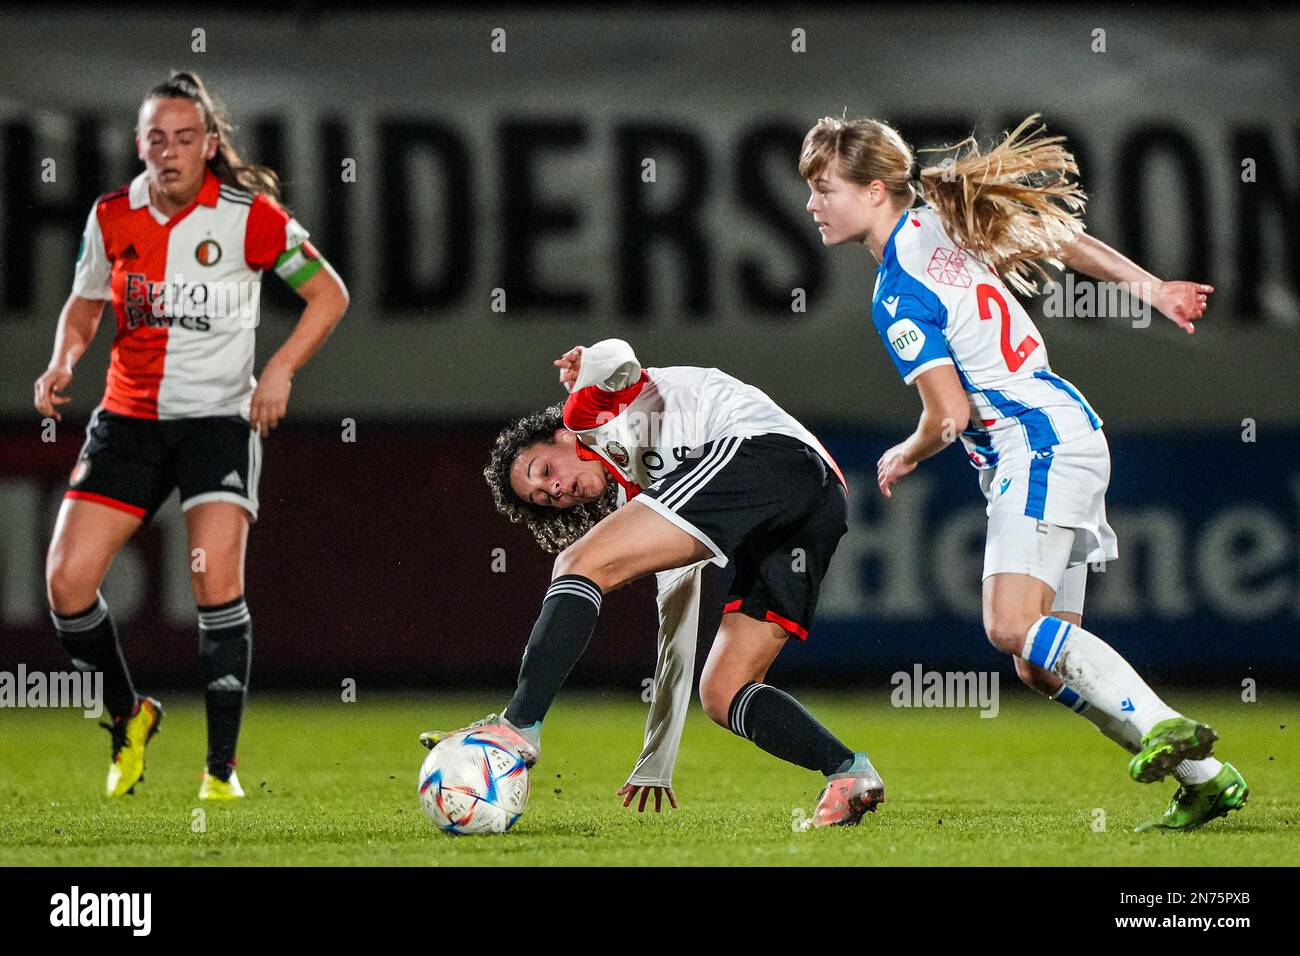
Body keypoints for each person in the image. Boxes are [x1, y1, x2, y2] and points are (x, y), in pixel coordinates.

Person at [798, 113, 1246, 831]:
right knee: (1038, 665)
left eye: (824, 189)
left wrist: (905, 453)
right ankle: (1206, 778)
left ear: (875, 190)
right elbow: (1060, 238)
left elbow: (946, 415)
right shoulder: (943, 218)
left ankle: (1163, 724)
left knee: (1009, 626)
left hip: (1035, 444)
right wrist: (1151, 287)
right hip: (1068, 428)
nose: (813, 205)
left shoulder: (896, 294)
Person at [33, 71, 349, 800]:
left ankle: (220, 771)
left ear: (209, 145)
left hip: (218, 422)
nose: (168, 152)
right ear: (139, 145)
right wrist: (62, 361)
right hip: (129, 422)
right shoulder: (112, 215)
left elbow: (328, 294)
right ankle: (128, 712)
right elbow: (85, 306)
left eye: (183, 138)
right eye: (155, 139)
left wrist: (280, 371)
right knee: (67, 584)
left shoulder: (250, 216)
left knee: (214, 580)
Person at [421, 338, 883, 828]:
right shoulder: (653, 499)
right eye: (543, 498)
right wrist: (656, 760)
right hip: (819, 501)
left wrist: (587, 367)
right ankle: (849, 772)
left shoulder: (589, 419)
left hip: (768, 452)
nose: (553, 489)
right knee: (724, 691)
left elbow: (621, 359)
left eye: (543, 470)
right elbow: (676, 622)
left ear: (559, 437)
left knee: (578, 562)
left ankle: (517, 726)